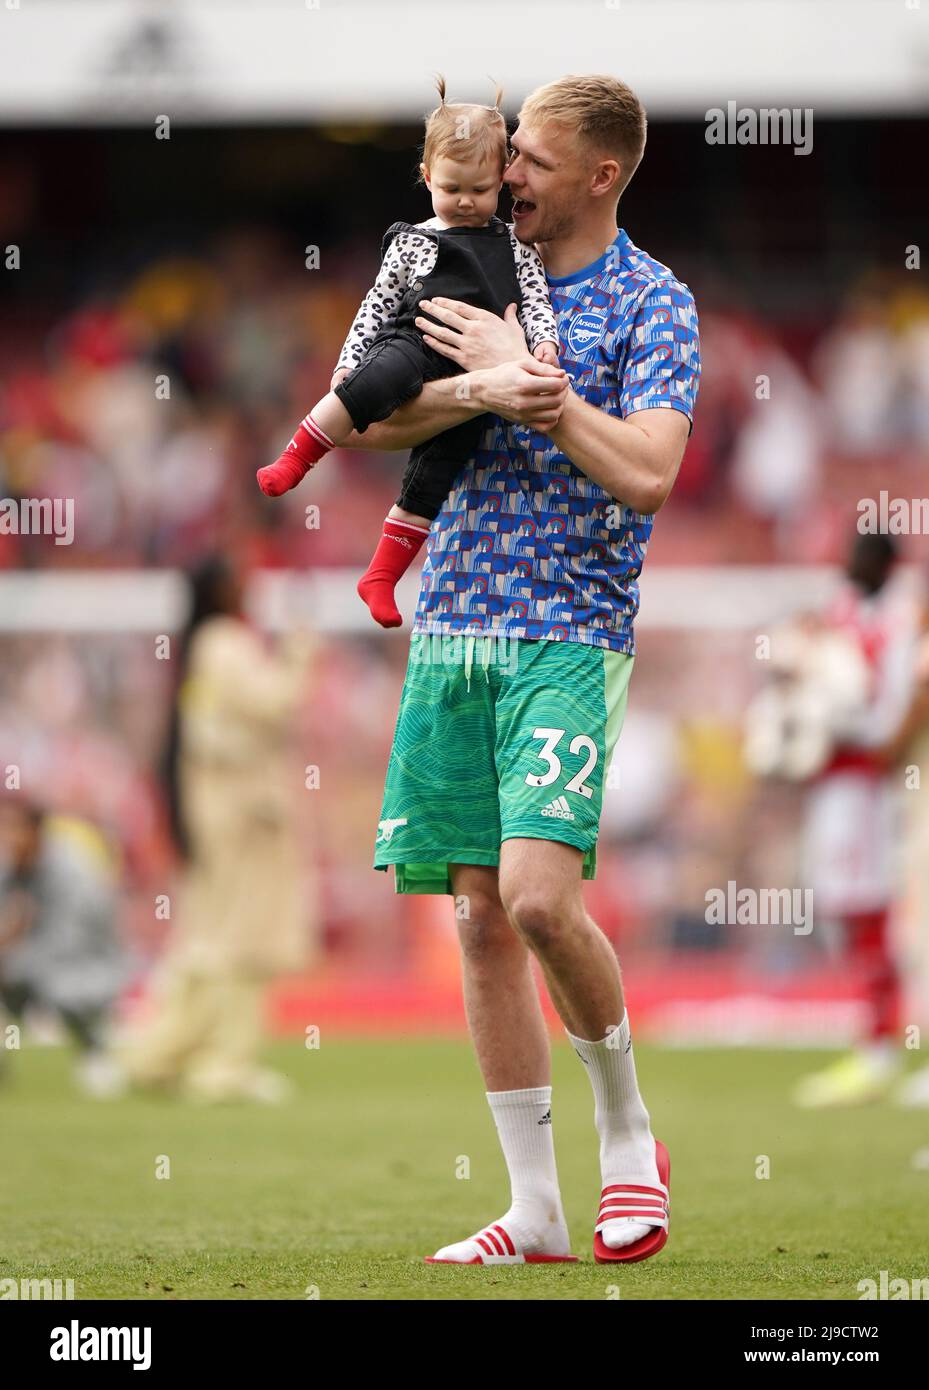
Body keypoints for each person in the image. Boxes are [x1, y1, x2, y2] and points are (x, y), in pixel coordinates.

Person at [347, 75, 700, 1263]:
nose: (507, 178)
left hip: (569, 629)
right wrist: (473, 383)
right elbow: (375, 416)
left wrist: (536, 393)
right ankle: (535, 1210)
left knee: (541, 898)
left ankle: (626, 1139)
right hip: (451, 627)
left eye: (532, 162)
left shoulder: (655, 303)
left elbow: (647, 473)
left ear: (600, 174)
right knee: (478, 919)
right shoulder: (459, 255)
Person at [256, 76, 559, 630]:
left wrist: (542, 344)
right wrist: (350, 360)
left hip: (479, 374)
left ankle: (381, 574)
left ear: (501, 183)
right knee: (364, 388)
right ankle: (297, 456)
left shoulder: (518, 247)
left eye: (480, 189)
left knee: (435, 475)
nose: (466, 202)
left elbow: (537, 301)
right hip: (415, 346)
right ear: (426, 178)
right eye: (452, 188)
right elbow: (375, 305)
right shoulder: (413, 242)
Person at [122, 555, 315, 1103]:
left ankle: (157, 1052)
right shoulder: (225, 643)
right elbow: (276, 702)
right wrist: (301, 650)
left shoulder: (200, 649)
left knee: (205, 932)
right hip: (245, 815)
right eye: (237, 579)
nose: (249, 588)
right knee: (241, 935)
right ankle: (222, 1064)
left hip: (217, 813)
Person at [790, 533, 919, 1107]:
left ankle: (881, 1046)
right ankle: (876, 1038)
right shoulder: (840, 609)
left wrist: (849, 727)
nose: (848, 565)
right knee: (844, 907)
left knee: (871, 909)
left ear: (885, 566)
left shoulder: (898, 623)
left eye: (860, 558)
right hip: (833, 782)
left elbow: (889, 715)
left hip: (870, 784)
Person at [0, 797, 128, 1097]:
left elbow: (69, 944)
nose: (7, 838)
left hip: (89, 965)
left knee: (63, 988)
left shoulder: (74, 874)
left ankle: (96, 1053)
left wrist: (10, 951)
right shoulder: (8, 869)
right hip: (28, 964)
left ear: (37, 831)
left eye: (14, 828)